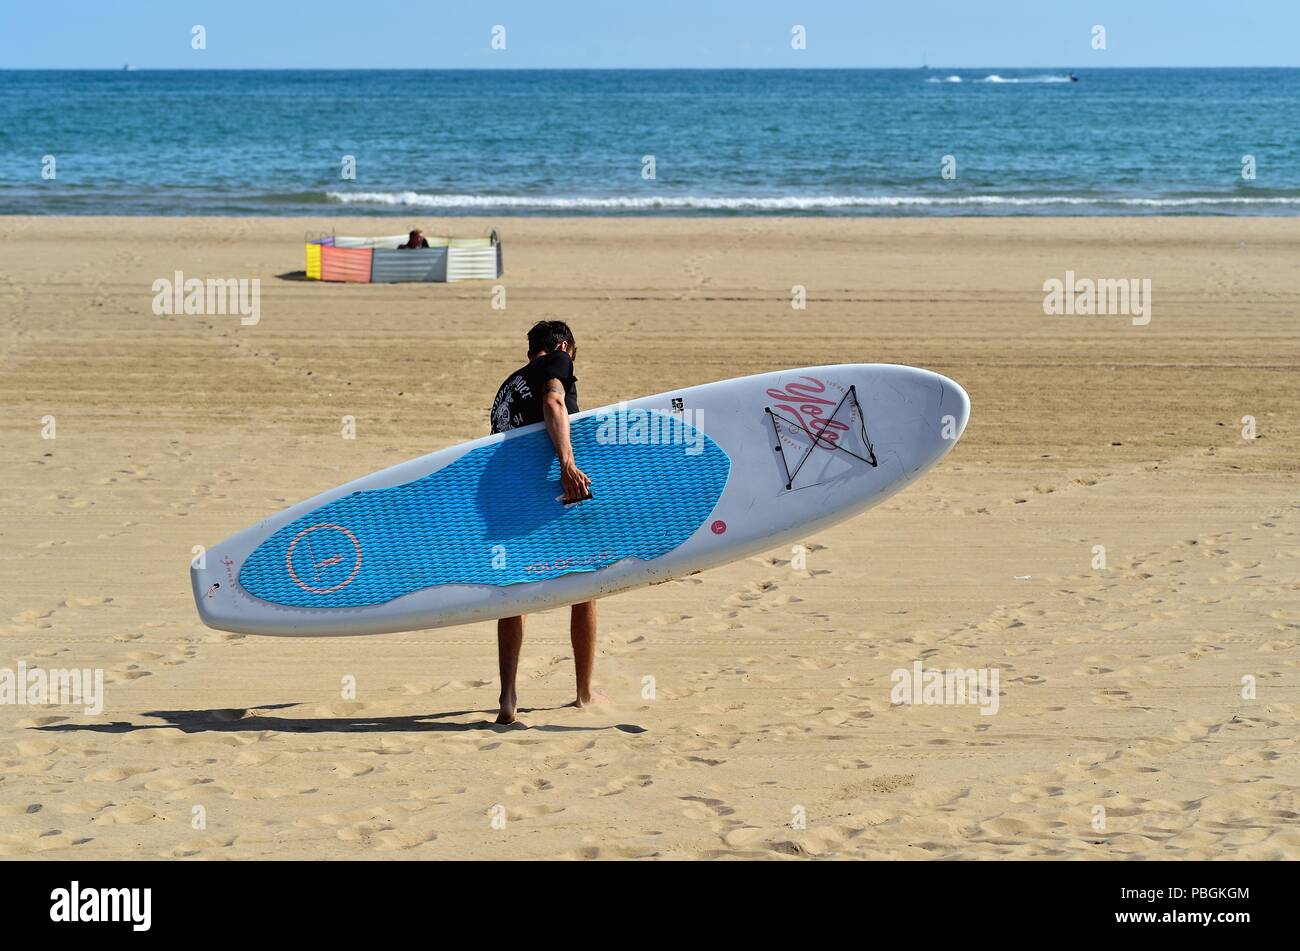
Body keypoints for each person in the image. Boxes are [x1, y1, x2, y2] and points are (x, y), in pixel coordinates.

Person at [489, 320, 601, 724]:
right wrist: (568, 465)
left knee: (515, 593)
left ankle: (508, 698)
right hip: (549, 494)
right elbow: (555, 403)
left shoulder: (508, 387)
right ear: (565, 347)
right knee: (585, 584)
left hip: (506, 499)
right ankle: (584, 693)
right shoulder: (556, 361)